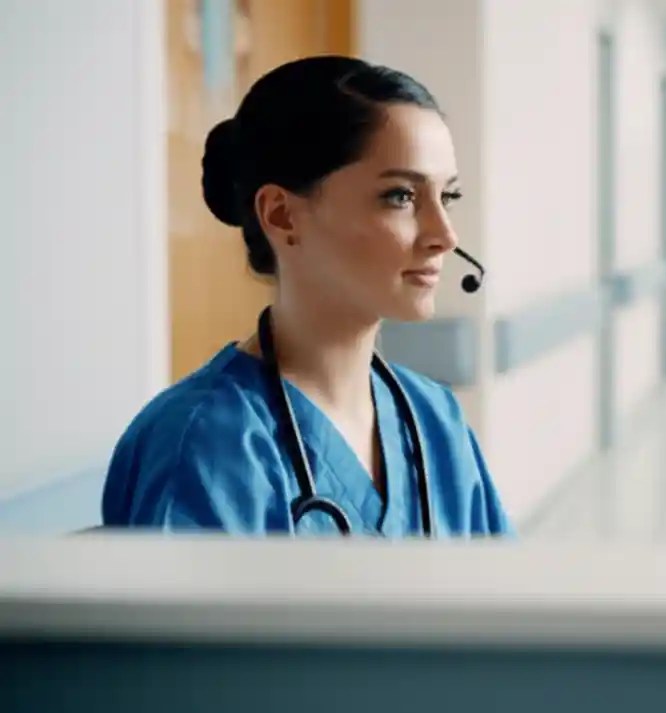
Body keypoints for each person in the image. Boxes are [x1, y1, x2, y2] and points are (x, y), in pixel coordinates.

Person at [102, 56, 510, 537]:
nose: (444, 234)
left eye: (449, 197)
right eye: (401, 196)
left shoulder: (435, 422)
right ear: (281, 216)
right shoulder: (205, 444)